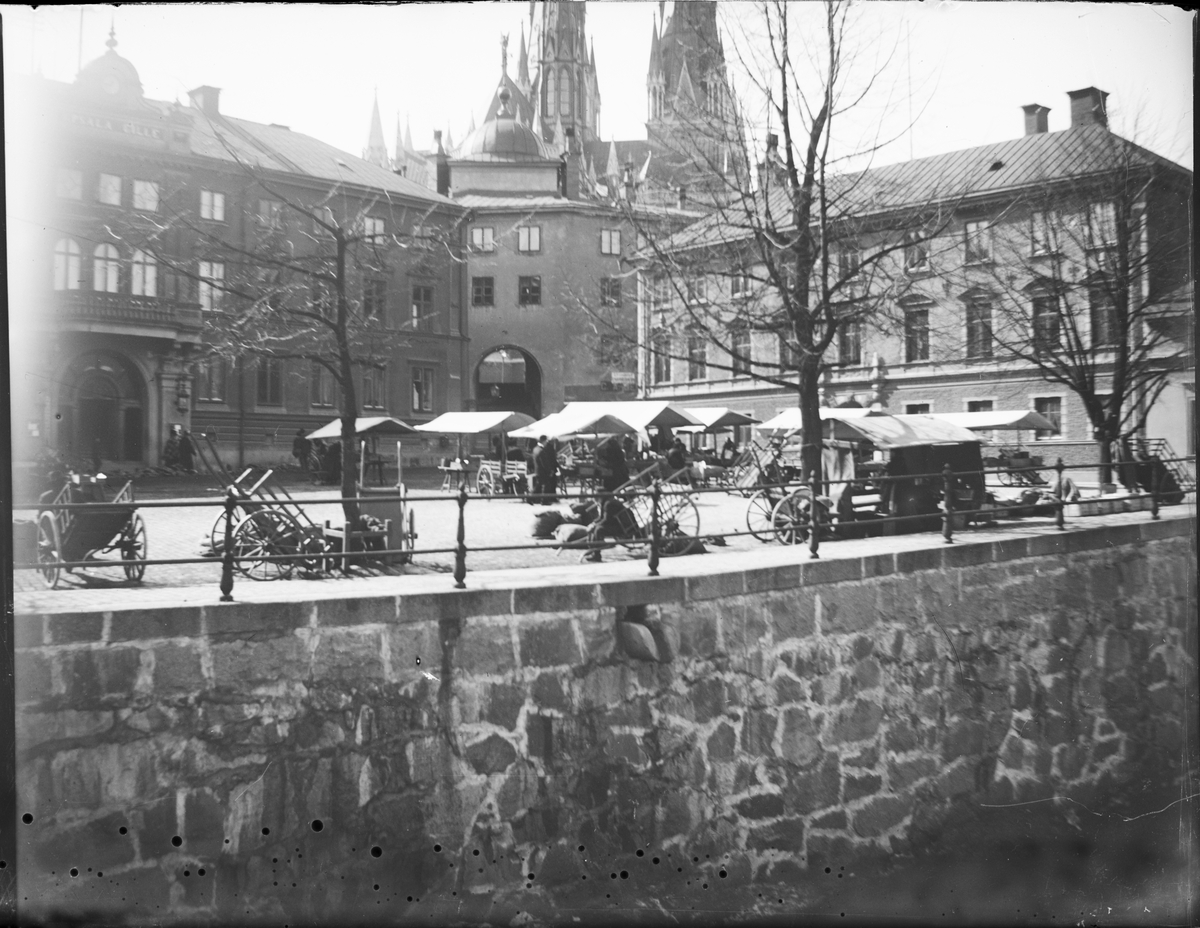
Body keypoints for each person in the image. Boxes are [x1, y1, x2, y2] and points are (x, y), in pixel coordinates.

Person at [533, 435, 559, 503]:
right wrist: (550, 470)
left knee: (539, 485)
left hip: (538, 470)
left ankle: (531, 499)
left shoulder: (536, 448)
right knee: (546, 485)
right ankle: (545, 500)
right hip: (543, 471)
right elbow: (545, 462)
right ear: (544, 441)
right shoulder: (542, 450)